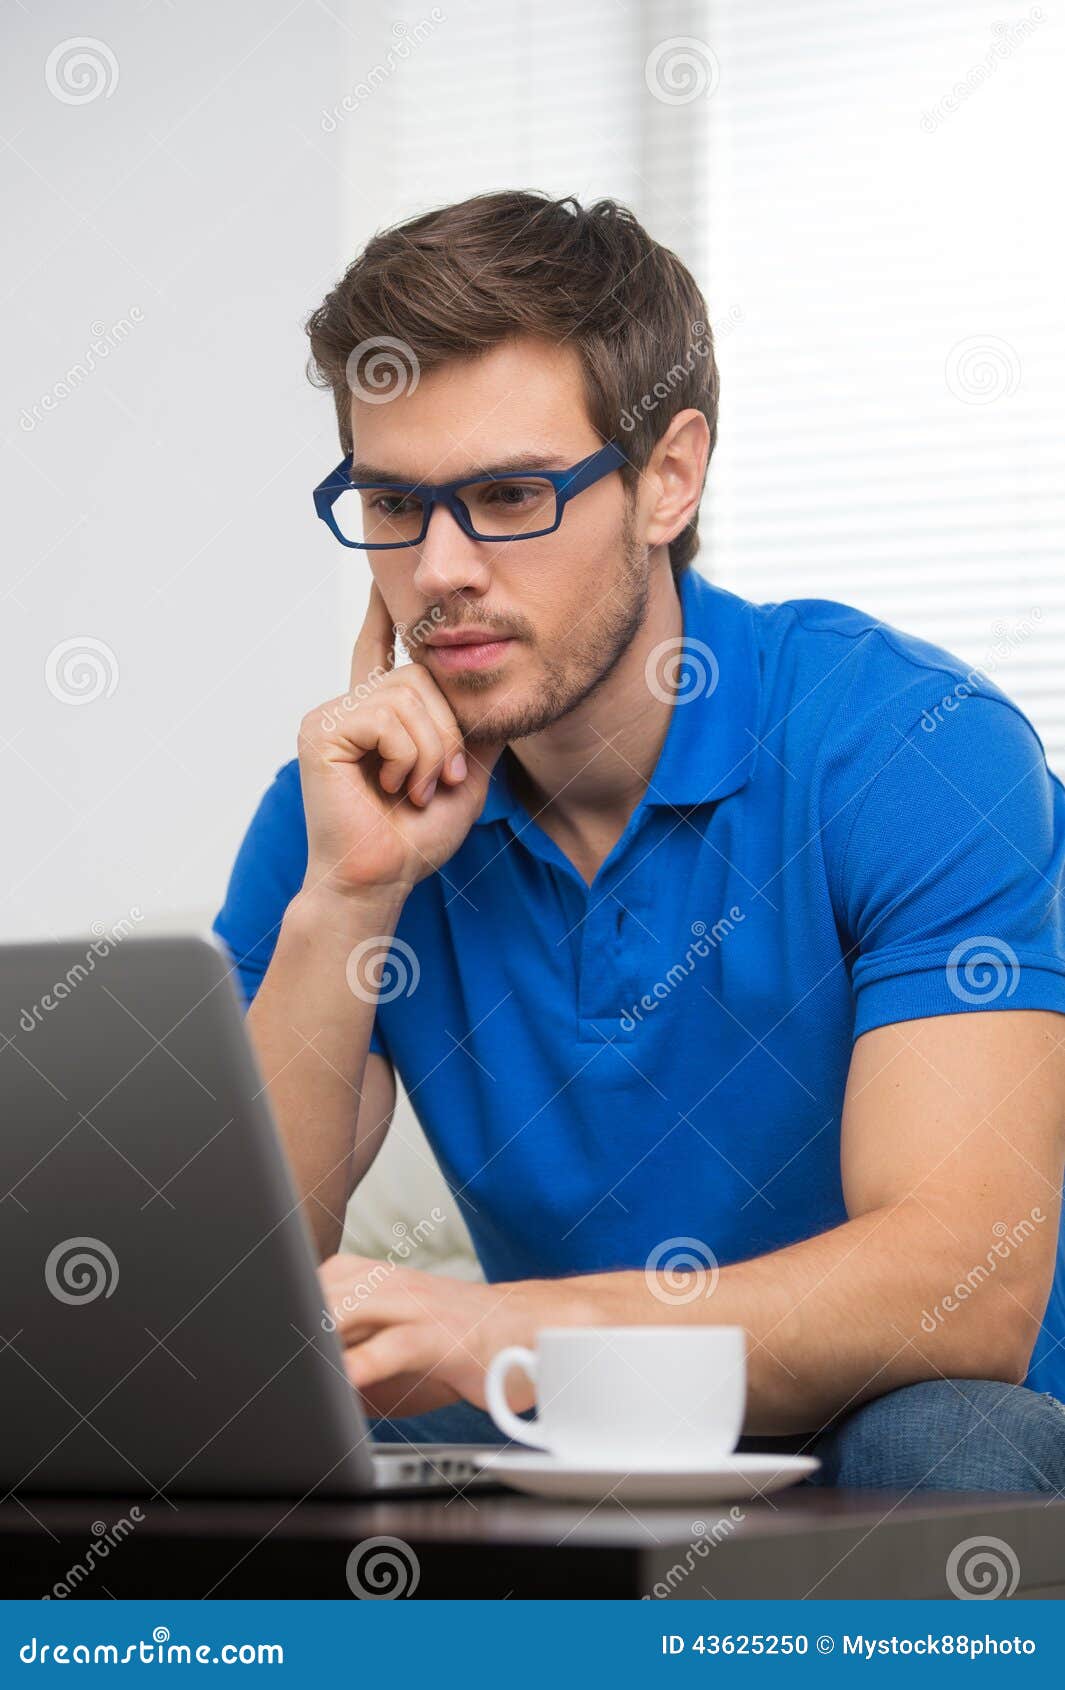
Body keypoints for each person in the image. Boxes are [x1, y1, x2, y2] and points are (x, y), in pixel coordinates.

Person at [214, 190, 1065, 1491]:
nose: (437, 567)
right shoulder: (343, 809)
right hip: (585, 1429)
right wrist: (345, 895)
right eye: (392, 502)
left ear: (667, 476)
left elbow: (962, 1284)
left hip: (893, 1430)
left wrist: (505, 1332)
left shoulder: (903, 743)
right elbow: (223, 1305)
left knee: (945, 1442)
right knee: (208, 1449)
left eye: (506, 494)